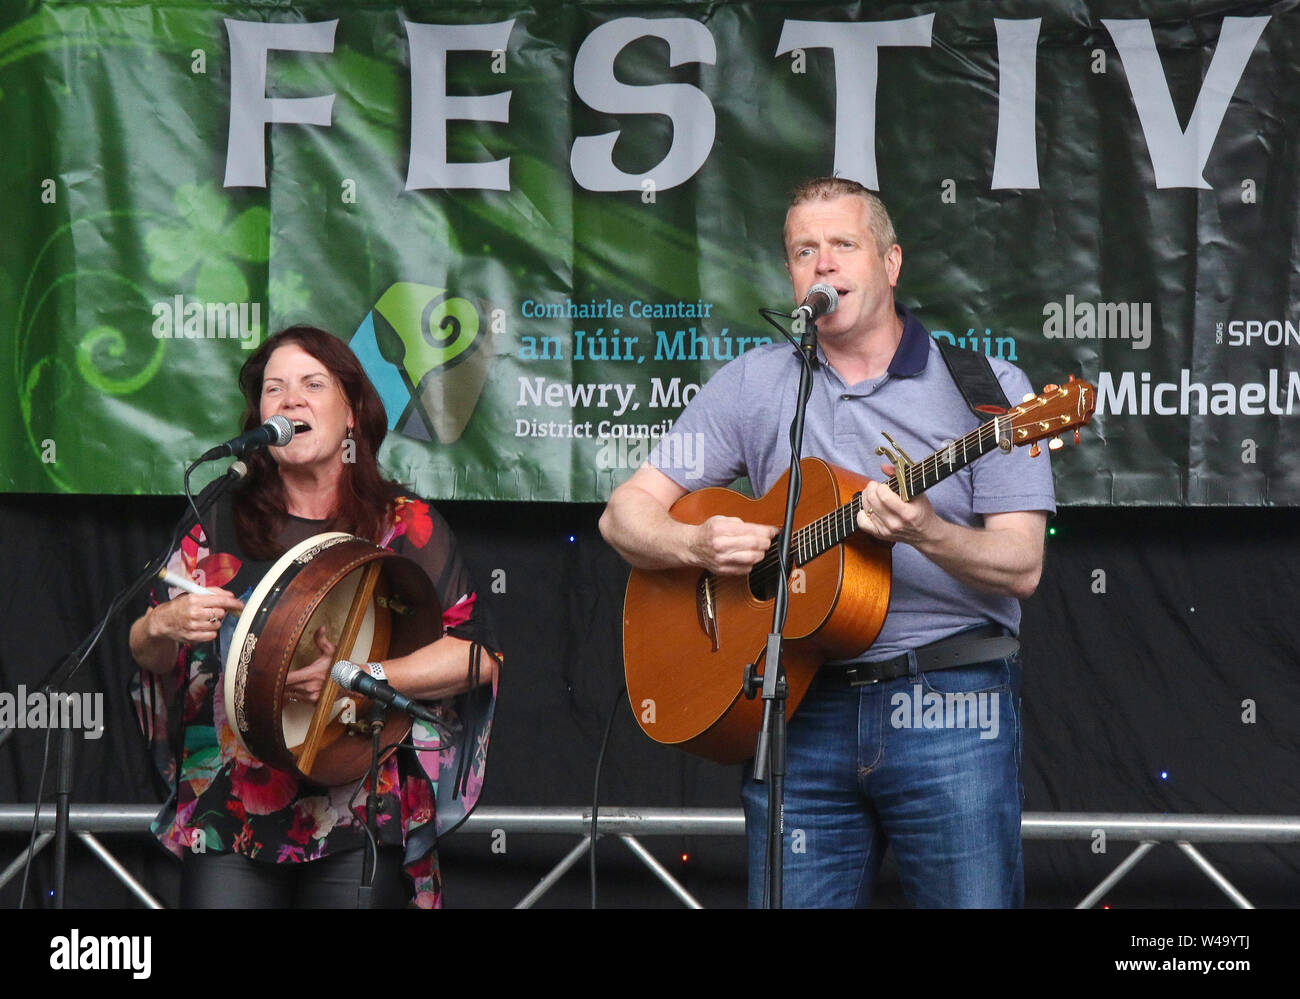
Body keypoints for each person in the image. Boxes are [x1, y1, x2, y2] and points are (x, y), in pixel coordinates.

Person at [599, 177, 1056, 908]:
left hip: (947, 702)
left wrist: (927, 532)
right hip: (798, 705)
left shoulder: (989, 388)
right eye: (803, 250)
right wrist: (696, 544)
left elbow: (1022, 565)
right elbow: (624, 514)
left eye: (843, 245)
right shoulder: (754, 382)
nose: (824, 265)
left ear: (891, 261)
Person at [129, 325, 500, 908]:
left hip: (356, 809)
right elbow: (146, 651)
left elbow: (477, 660)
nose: (289, 400)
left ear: (351, 412)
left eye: (312, 384)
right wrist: (160, 626)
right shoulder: (216, 519)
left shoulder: (400, 525)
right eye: (273, 390)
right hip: (231, 809)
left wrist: (359, 675)